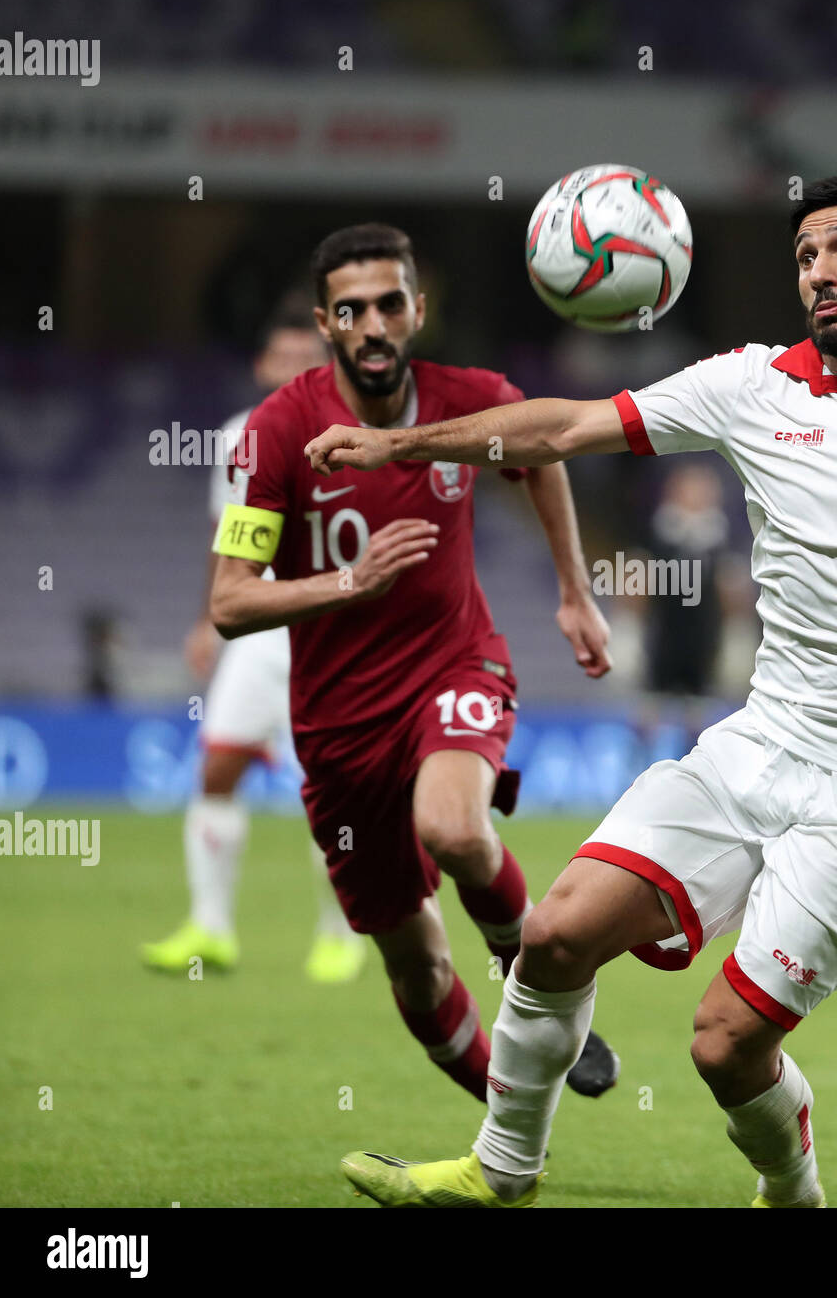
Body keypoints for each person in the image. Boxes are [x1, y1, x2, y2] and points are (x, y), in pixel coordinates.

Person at [307, 175, 837, 1209]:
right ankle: (501, 1173)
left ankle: (793, 1192)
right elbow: (561, 430)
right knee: (551, 937)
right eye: (806, 254)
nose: (819, 271)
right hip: (757, 746)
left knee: (724, 1045)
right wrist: (403, 443)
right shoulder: (750, 386)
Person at [209, 223, 619, 1100]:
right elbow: (230, 602)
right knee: (419, 967)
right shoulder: (276, 434)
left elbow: (542, 452)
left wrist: (574, 591)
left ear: (417, 310)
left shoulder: (465, 400)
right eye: (350, 310)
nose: (373, 324)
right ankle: (512, 1108)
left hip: (453, 669)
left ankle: (535, 982)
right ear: (326, 324)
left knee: (458, 828)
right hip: (338, 728)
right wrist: (348, 581)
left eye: (389, 304)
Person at [141, 305, 365, 983]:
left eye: (309, 357)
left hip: (327, 636)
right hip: (258, 632)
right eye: (284, 356)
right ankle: (211, 929)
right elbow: (227, 530)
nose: (295, 368)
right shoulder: (241, 435)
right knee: (217, 771)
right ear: (263, 365)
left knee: (329, 793)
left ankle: (340, 935)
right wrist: (209, 619)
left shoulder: (353, 434)